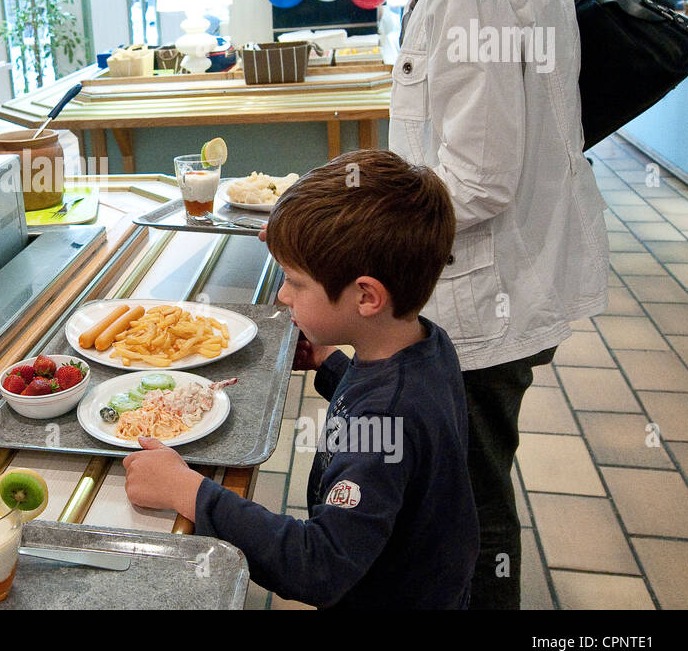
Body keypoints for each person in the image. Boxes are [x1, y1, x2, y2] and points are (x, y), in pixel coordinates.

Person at [349, 0, 608, 609]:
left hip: (483, 295)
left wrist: (354, 244)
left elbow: (481, 178)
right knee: (463, 488)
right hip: (502, 278)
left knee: (469, 505)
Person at [123, 150, 478, 609]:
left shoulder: (385, 420)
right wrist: (329, 363)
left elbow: (319, 564)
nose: (282, 294)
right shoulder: (425, 344)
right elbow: (392, 405)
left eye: (294, 281)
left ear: (366, 296)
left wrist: (188, 492)